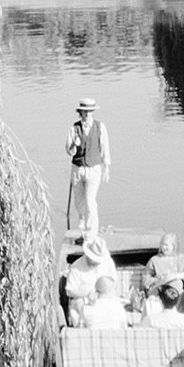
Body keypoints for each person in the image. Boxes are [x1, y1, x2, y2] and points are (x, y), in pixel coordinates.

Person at [66, 97, 110, 236]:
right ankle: (82, 229)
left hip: (94, 168)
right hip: (77, 169)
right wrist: (74, 144)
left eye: (89, 112)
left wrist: (107, 168)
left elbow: (105, 148)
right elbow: (69, 151)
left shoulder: (100, 127)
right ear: (80, 112)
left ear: (93, 112)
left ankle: (91, 232)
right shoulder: (74, 128)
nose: (86, 115)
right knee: (80, 203)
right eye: (84, 112)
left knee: (90, 202)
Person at [64, 235, 116, 319]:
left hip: (104, 301)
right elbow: (69, 291)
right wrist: (87, 295)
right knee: (79, 305)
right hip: (83, 303)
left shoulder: (108, 263)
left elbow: (113, 283)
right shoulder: (76, 267)